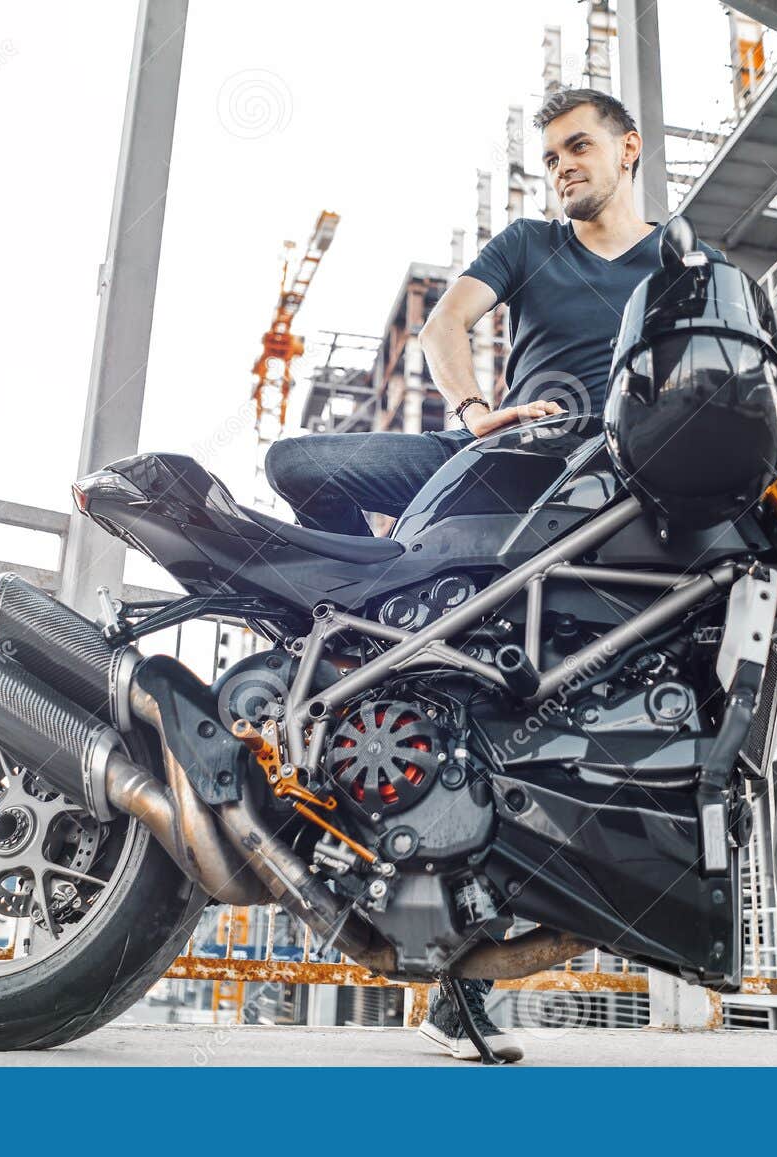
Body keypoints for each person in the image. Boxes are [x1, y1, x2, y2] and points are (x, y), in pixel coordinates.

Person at [264, 86, 720, 1061]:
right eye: (550, 153)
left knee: (533, 737)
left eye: (579, 147)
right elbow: (444, 328)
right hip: (493, 460)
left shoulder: (677, 258)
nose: (562, 165)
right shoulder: (525, 241)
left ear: (628, 150)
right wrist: (474, 405)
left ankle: (462, 978)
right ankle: (347, 657)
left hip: (596, 504)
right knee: (297, 466)